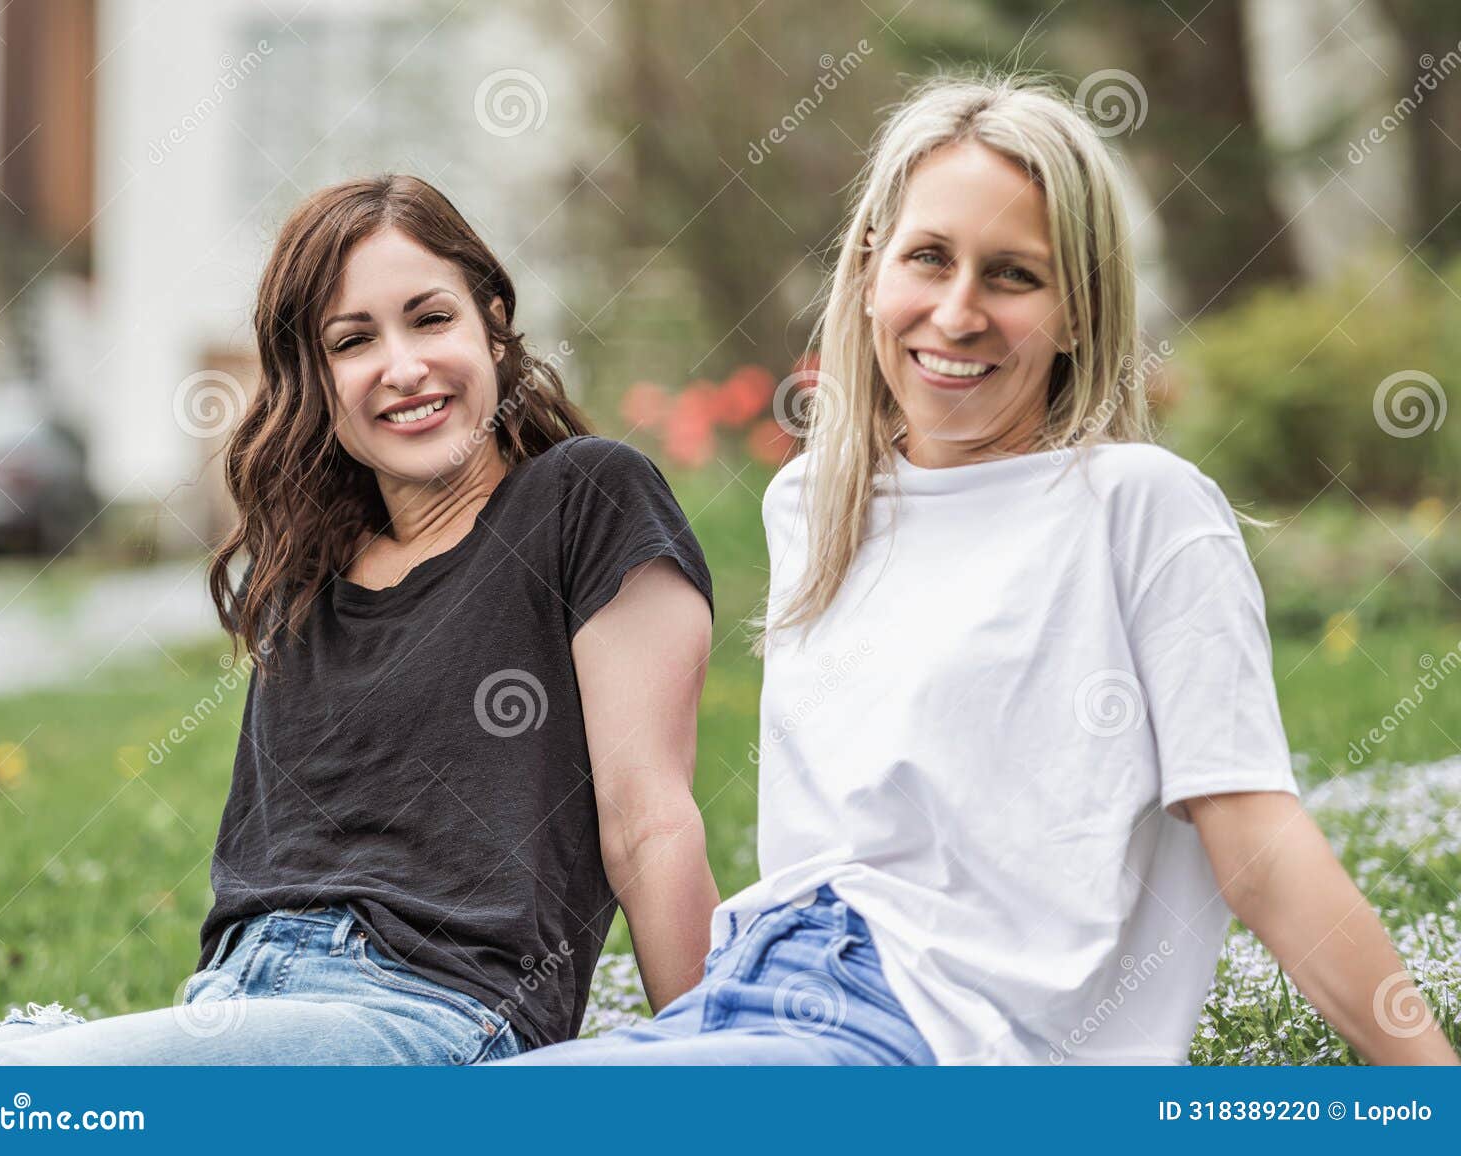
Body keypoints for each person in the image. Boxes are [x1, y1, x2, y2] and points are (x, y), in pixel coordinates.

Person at [501, 74, 1460, 1066]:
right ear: (871, 272)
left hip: (943, 1046)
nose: (957, 313)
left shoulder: (1138, 508)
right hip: (755, 999)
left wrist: (1434, 1093)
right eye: (928, 258)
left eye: (1011, 275)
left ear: (1079, 312)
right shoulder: (812, 508)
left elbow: (1258, 842)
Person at [0, 175, 718, 1065]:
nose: (402, 367)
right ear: (315, 380)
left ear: (492, 321)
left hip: (431, 1020)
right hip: (239, 1007)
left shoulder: (584, 500)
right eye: (353, 341)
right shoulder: (304, 576)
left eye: (430, 319)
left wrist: (723, 1087)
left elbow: (651, 826)